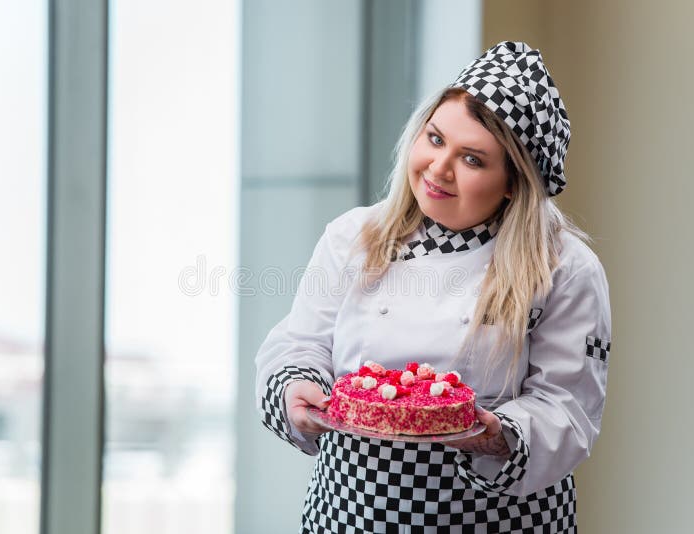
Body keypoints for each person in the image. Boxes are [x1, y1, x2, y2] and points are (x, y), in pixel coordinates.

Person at [255, 41, 611, 533]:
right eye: (435, 138)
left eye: (472, 160)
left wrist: (495, 436)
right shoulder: (352, 236)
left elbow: (568, 407)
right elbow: (301, 344)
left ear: (514, 182)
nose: (439, 168)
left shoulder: (565, 267)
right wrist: (298, 390)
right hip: (353, 509)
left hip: (497, 518)